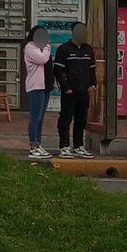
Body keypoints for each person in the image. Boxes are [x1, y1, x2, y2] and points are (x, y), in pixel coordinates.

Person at [54, 22, 97, 159]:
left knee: (81, 119)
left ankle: (79, 146)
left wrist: (93, 84)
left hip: (84, 91)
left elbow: (92, 69)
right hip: (70, 91)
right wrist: (65, 87)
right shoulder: (64, 49)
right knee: (65, 119)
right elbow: (58, 70)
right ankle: (64, 146)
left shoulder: (88, 50)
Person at [24, 25, 53, 160]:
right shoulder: (30, 48)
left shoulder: (42, 49)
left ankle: (38, 143)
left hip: (45, 86)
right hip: (35, 86)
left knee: (41, 117)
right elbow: (43, 59)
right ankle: (32, 145)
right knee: (35, 117)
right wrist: (47, 47)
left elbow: (48, 64)